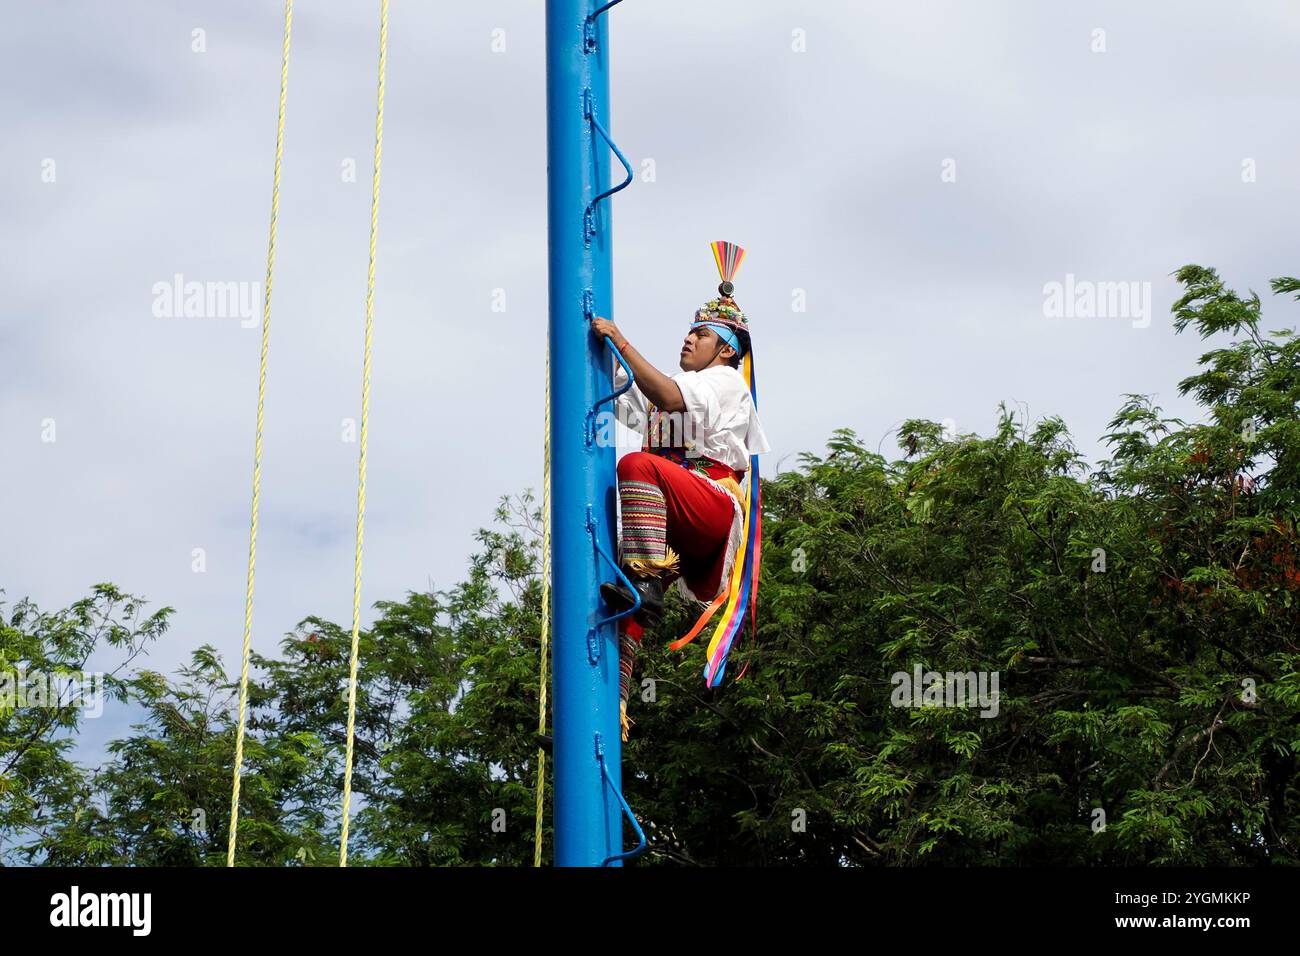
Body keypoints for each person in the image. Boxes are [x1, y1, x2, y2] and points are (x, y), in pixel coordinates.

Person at [589, 241, 770, 741]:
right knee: (618, 618)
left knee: (637, 464)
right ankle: (599, 716)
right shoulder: (680, 386)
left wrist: (621, 342)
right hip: (677, 519)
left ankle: (646, 584)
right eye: (689, 331)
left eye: (701, 333)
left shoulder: (724, 382)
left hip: (712, 506)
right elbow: (630, 398)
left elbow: (666, 396)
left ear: (726, 348)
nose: (688, 340)